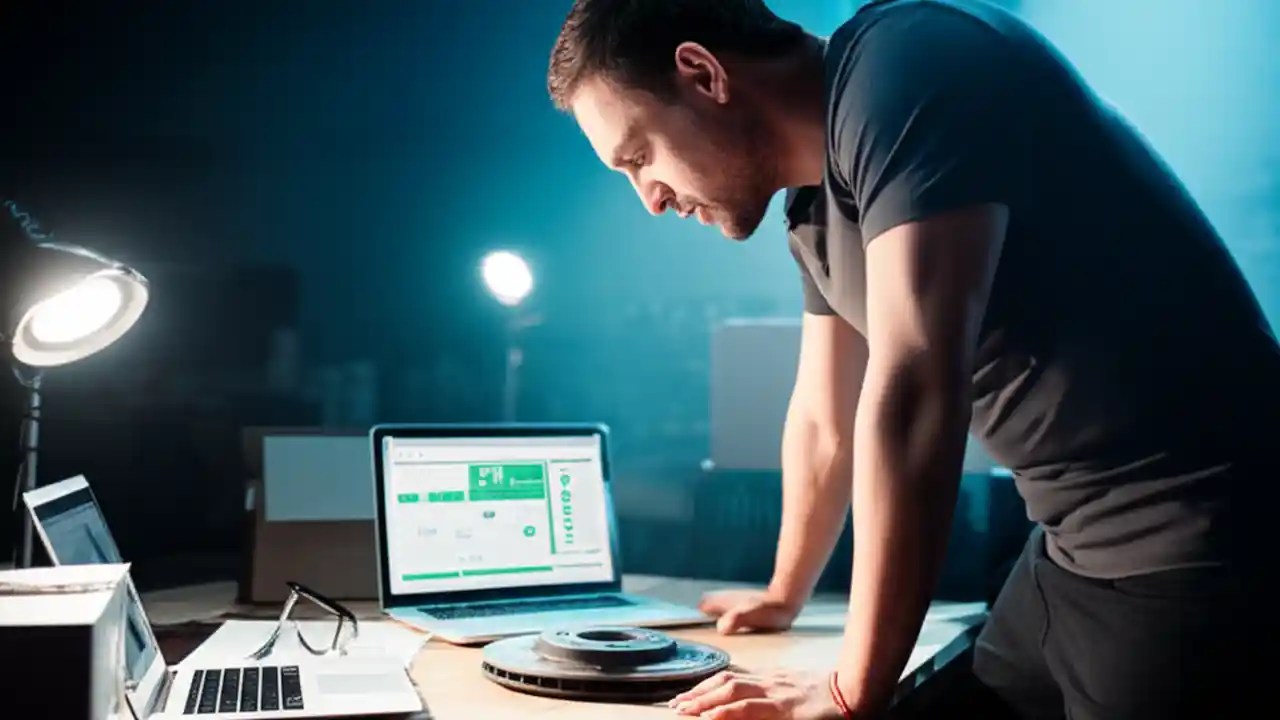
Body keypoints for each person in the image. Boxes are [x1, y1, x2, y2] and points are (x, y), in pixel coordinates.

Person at [546, 1, 1280, 718]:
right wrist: (782, 594)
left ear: (703, 73)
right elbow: (821, 419)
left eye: (638, 156)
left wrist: (847, 690)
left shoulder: (909, 62)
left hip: (1202, 555)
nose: (649, 198)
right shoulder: (815, 208)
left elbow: (919, 381)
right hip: (1070, 550)